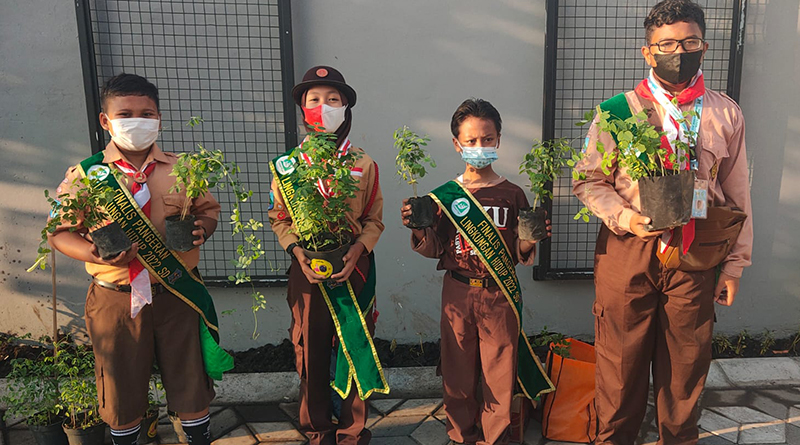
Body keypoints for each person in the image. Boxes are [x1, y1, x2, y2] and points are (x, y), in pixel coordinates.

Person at [572, 1, 752, 443]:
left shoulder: (724, 112)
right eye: (667, 44)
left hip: (695, 250)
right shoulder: (617, 111)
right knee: (619, 366)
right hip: (628, 249)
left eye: (689, 42)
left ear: (704, 47)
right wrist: (625, 216)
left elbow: (739, 193)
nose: (679, 52)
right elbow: (588, 181)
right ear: (647, 52)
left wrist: (734, 266)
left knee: (686, 365)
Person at [49, 73, 232, 445]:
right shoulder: (86, 175)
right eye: (126, 113)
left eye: (147, 113)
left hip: (176, 295)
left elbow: (208, 212)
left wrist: (202, 229)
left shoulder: (184, 168)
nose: (138, 121)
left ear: (159, 118)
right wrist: (94, 252)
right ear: (106, 120)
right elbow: (59, 233)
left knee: (191, 384)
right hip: (115, 298)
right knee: (122, 392)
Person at [401, 98, 553, 445]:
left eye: (487, 139)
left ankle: (496, 436)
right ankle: (460, 436)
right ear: (457, 144)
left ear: (498, 140)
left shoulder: (513, 194)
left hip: (497, 291)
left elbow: (519, 251)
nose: (479, 147)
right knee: (457, 369)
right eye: (471, 141)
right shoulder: (443, 197)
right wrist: (419, 226)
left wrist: (530, 241)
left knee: (499, 371)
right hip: (456, 290)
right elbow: (436, 247)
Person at [268, 66, 385, 445]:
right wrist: (296, 250)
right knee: (309, 349)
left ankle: (352, 431)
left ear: (346, 109)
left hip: (354, 267)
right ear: (303, 109)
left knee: (355, 345)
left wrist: (357, 250)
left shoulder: (364, 164)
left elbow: (374, 219)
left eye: (333, 100)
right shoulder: (287, 168)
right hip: (306, 270)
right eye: (315, 99)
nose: (324, 106)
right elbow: (279, 217)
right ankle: (317, 429)